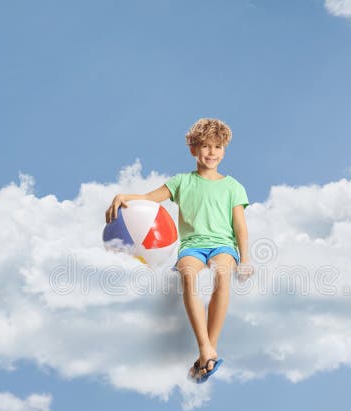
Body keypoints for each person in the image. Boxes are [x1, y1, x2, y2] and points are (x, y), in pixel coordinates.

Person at [105, 118, 253, 383]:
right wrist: (124, 196)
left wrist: (246, 259)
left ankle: (208, 350)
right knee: (188, 277)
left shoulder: (233, 186)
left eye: (217, 147)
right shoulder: (182, 182)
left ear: (224, 150)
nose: (212, 152)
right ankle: (204, 349)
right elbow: (150, 199)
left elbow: (240, 227)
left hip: (222, 245)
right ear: (193, 149)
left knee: (222, 275)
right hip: (192, 246)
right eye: (205, 146)